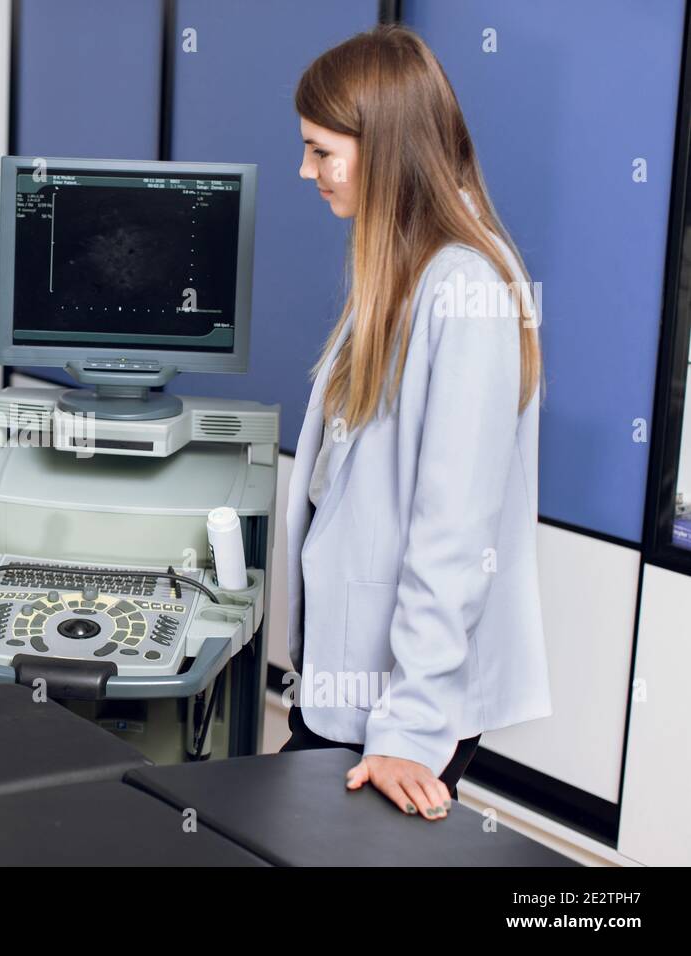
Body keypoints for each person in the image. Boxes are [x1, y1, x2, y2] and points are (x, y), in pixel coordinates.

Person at [282, 25, 551, 819]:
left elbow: (455, 534)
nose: (307, 171)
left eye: (321, 151)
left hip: (402, 705)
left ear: (386, 147)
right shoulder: (401, 268)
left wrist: (408, 728)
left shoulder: (466, 291)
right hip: (347, 683)